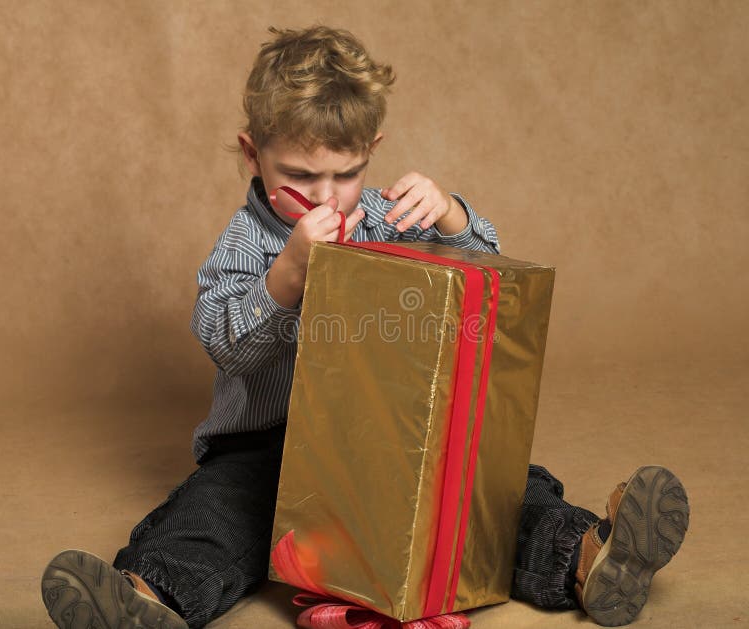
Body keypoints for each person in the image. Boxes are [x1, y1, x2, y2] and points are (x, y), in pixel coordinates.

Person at [40, 25, 689, 629]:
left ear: (370, 154)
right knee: (220, 512)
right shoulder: (248, 242)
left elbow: (491, 285)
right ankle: (145, 596)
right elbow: (225, 342)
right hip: (273, 449)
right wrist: (286, 277)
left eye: (345, 174)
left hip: (398, 446)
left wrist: (453, 218)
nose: (325, 196)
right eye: (298, 174)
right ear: (252, 155)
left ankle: (590, 556)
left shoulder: (388, 217)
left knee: (496, 493)